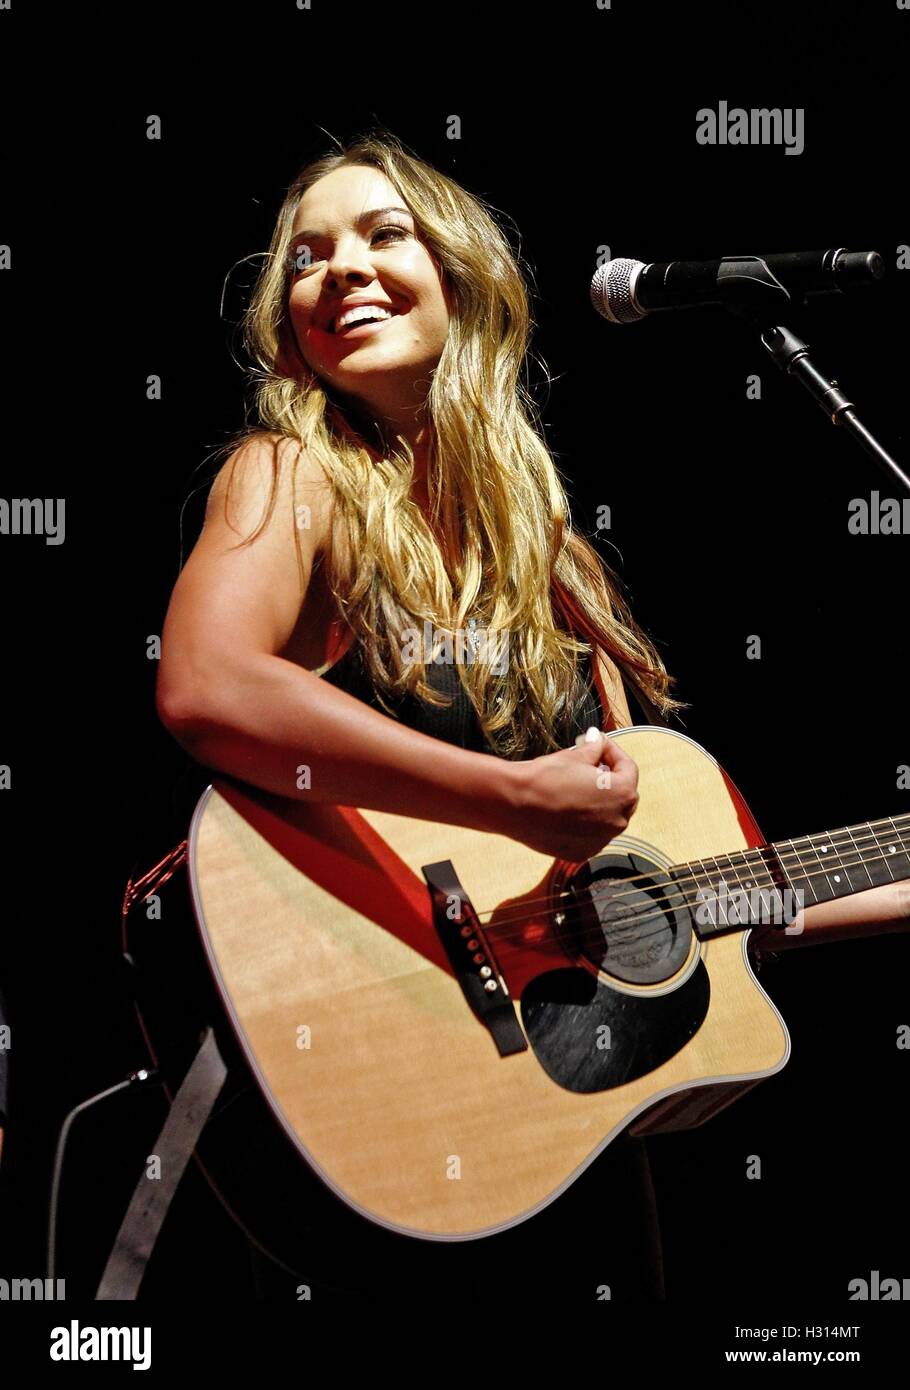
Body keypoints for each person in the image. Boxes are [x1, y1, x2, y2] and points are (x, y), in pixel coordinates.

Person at [155, 130, 690, 1302]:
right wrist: (514, 796)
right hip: (374, 1076)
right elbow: (208, 686)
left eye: (382, 236)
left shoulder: (557, 566)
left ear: (463, 276)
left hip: (553, 1107)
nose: (338, 269)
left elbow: (681, 880)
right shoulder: (291, 473)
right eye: (306, 257)